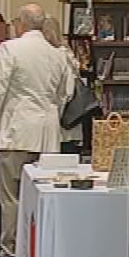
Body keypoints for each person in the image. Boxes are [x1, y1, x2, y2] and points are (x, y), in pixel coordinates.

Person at [0, 3, 74, 257]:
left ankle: (10, 252)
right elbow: (65, 94)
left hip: (16, 132)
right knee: (45, 195)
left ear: (20, 23)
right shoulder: (59, 53)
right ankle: (41, 251)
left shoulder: (10, 49)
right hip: (49, 135)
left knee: (12, 198)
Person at [40, 18, 85, 156]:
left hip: (61, 121)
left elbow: (65, 91)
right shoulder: (67, 52)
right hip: (72, 120)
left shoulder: (57, 55)